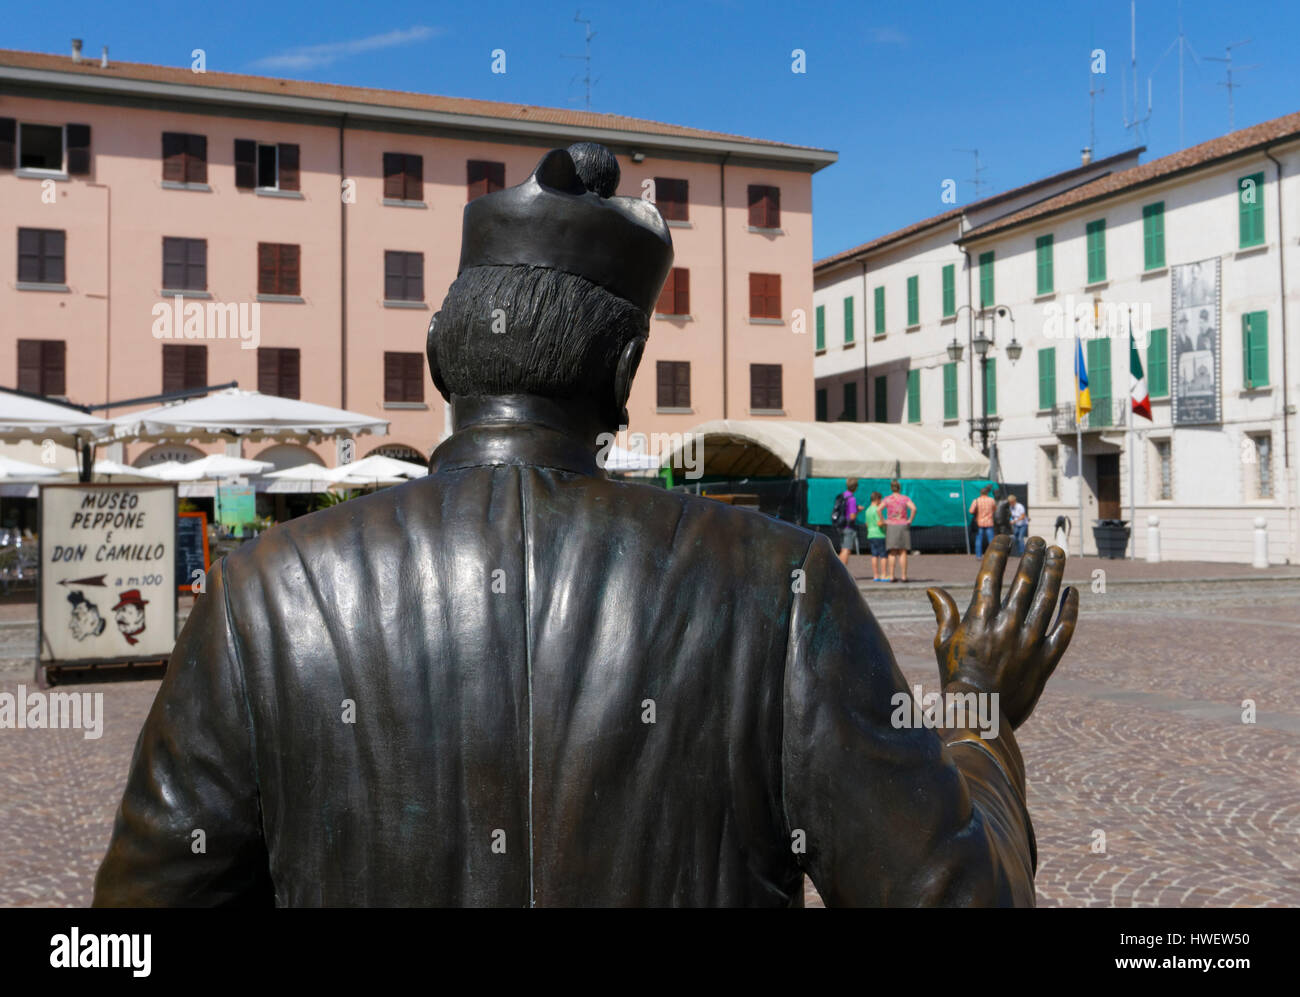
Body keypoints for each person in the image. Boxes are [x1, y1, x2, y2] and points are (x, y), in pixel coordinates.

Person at [93, 142, 1077, 908]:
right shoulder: (780, 586)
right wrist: (980, 710)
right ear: (619, 376)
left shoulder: (258, 598)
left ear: (442, 361)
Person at [882, 480, 916, 583]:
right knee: (903, 551)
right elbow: (914, 508)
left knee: (892, 552)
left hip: (891, 525)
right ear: (899, 488)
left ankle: (892, 576)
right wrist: (910, 519)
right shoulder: (904, 499)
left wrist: (884, 520)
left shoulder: (887, 499)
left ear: (891, 488)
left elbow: (879, 509)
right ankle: (904, 576)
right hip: (902, 525)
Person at [864, 491, 887, 581]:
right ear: (877, 499)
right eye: (880, 500)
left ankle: (875, 575)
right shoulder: (877, 510)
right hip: (879, 534)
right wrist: (886, 522)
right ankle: (884, 575)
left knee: (874, 555)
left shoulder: (868, 510)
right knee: (883, 555)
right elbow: (879, 523)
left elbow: (866, 524)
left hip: (870, 534)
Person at [836, 477, 859, 567]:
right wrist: (857, 510)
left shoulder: (843, 495)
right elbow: (852, 516)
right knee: (846, 549)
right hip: (848, 527)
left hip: (841, 525)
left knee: (843, 549)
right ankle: (841, 570)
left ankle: (838, 568)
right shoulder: (852, 499)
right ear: (856, 487)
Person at [969, 485, 996, 557]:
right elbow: (994, 509)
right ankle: (992, 554)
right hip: (989, 522)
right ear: (987, 493)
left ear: (980, 493)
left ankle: (978, 555)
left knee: (979, 539)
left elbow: (971, 511)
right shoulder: (991, 500)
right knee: (991, 540)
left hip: (979, 522)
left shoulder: (976, 500)